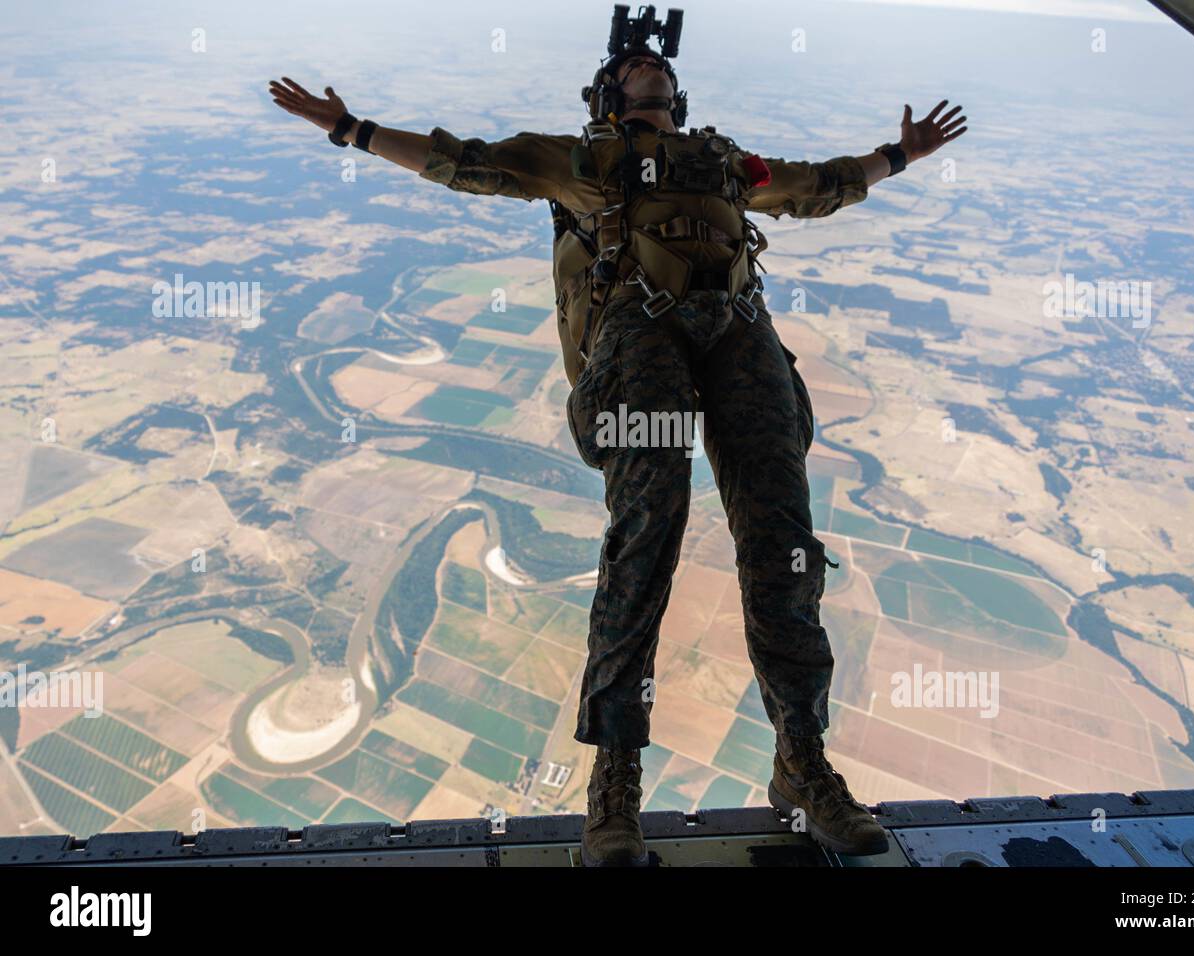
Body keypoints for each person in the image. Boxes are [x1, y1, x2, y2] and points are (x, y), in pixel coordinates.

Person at [269, 34, 966, 867]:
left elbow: (818, 188)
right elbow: (463, 163)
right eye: (633, 65)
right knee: (648, 526)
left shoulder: (723, 162)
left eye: (659, 64)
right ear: (608, 93)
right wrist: (352, 129)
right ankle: (616, 779)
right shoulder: (578, 156)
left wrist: (900, 154)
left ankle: (802, 762)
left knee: (783, 541)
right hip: (642, 334)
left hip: (742, 335)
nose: (650, 64)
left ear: (676, 91)